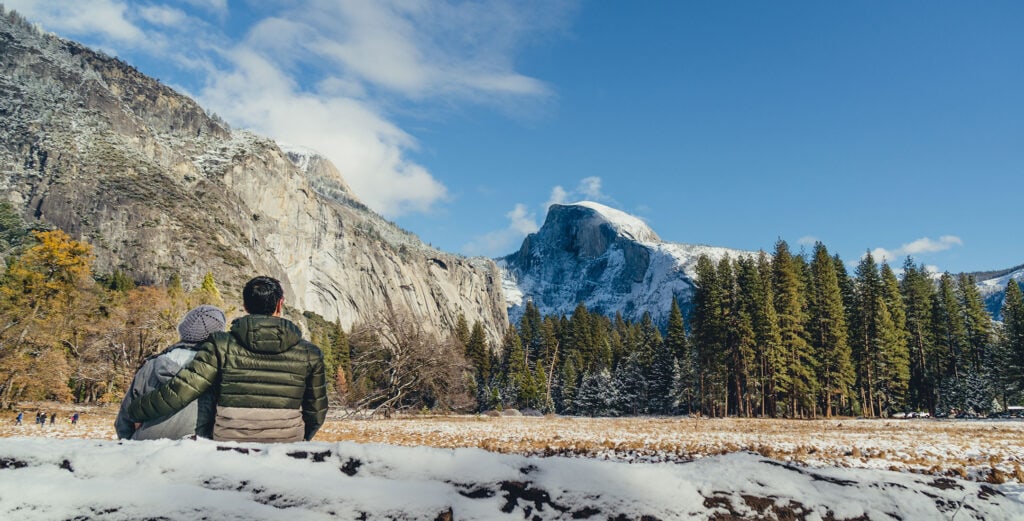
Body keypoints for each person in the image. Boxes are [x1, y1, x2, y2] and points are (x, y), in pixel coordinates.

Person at [128, 276, 328, 443]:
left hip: (230, 441)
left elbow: (182, 389)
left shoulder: (221, 344)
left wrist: (136, 412)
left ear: (245, 306)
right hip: (287, 439)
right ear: (280, 303)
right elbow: (316, 409)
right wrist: (301, 437)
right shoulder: (310, 353)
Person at [114, 305, 227, 440]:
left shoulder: (151, 365)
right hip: (196, 449)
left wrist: (131, 446)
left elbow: (124, 419)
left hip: (144, 448)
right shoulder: (221, 370)